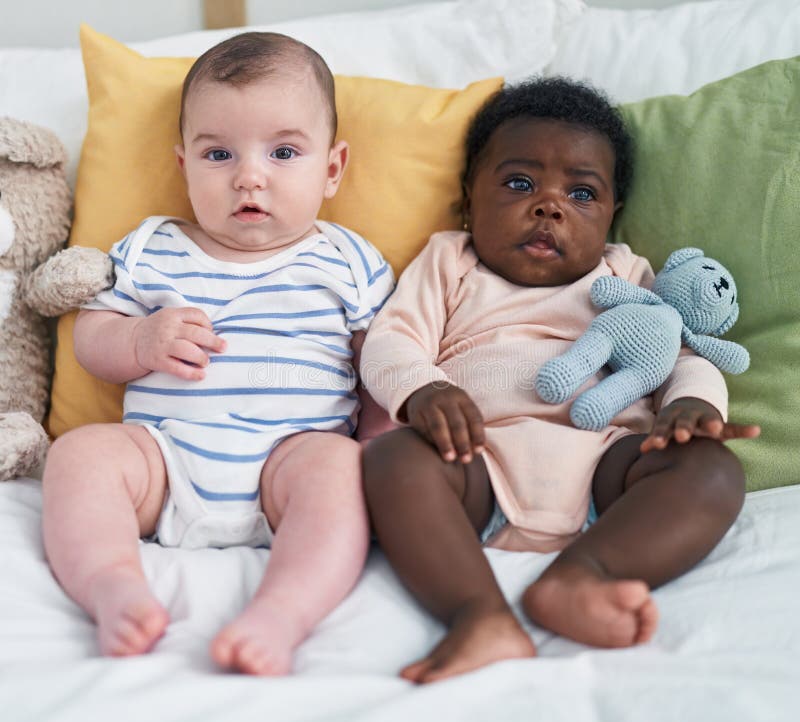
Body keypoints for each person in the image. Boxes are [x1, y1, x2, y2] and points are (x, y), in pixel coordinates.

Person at [359, 77, 760, 684]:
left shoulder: (626, 273)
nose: (550, 207)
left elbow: (685, 356)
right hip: (475, 462)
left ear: (610, 216)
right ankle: (479, 613)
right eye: (520, 184)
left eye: (581, 193)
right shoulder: (450, 260)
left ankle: (584, 576)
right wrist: (422, 390)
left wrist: (692, 407)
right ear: (469, 199)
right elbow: (393, 340)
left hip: (610, 466)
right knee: (391, 460)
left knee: (711, 467)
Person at [41, 31, 394, 676]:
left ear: (333, 168)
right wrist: (141, 341)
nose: (249, 176)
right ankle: (111, 585)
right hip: (164, 458)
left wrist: (380, 433)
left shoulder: (348, 260)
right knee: (80, 456)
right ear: (184, 165)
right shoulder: (153, 246)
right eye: (219, 153)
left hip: (289, 463)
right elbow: (92, 337)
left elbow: (381, 362)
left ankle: (283, 611)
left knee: (340, 473)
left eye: (284, 152)